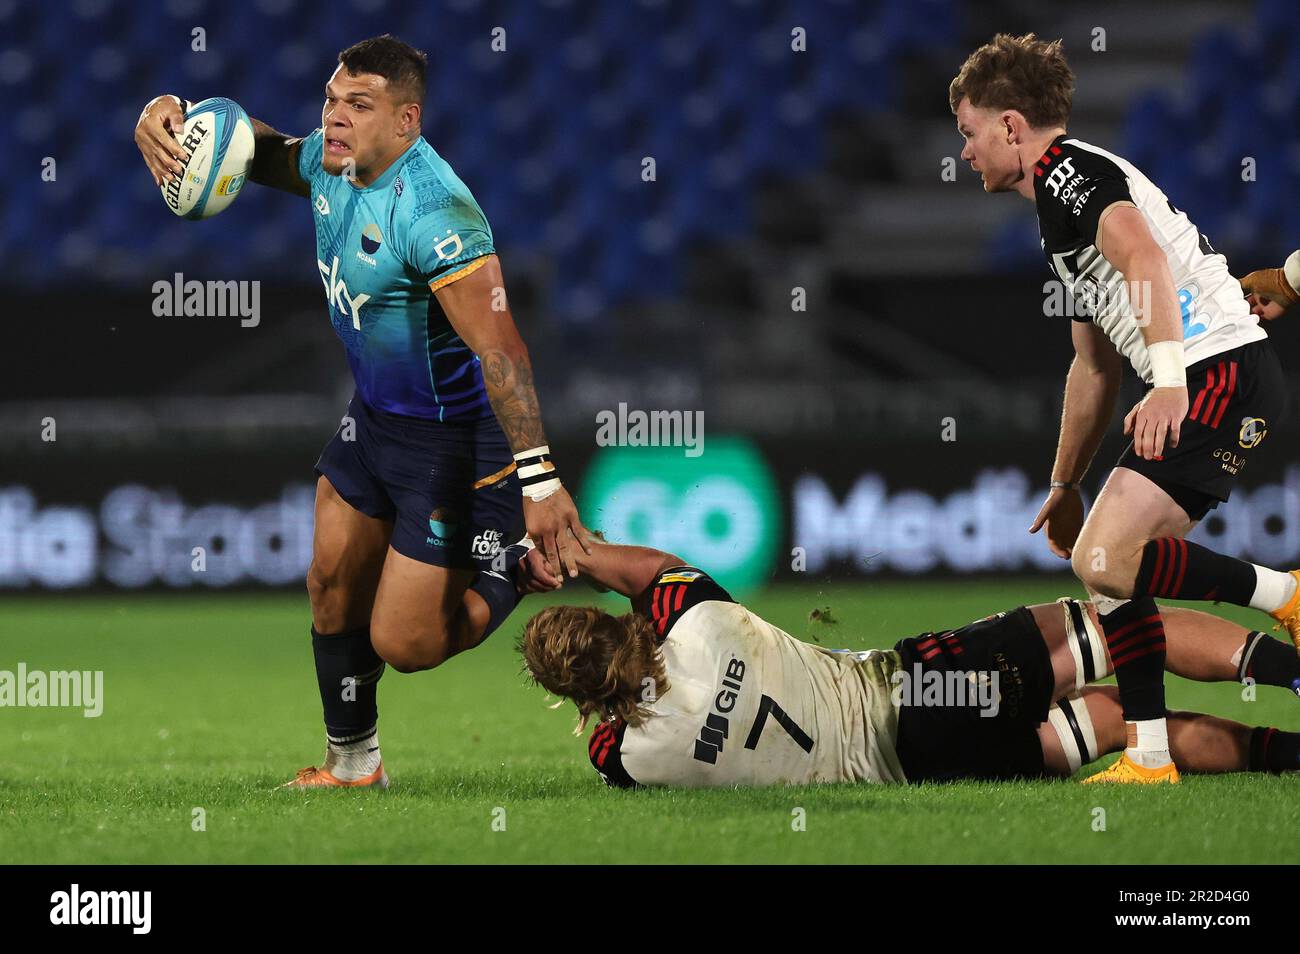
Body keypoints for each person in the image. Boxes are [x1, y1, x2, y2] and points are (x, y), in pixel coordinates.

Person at [134, 35, 590, 789]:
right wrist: (164, 116)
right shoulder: (329, 162)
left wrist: (539, 484)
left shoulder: (437, 213)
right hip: (374, 420)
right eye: (332, 99)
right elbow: (251, 148)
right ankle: (353, 767)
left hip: (458, 447)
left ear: (407, 121)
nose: (335, 118)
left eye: (360, 105)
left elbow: (501, 349)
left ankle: (507, 562)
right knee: (328, 579)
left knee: (404, 643)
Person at [949, 33, 1294, 783]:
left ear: (1011, 126)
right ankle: (1149, 754)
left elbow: (1144, 256)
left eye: (970, 133)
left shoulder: (1070, 172)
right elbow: (1093, 364)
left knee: (1108, 557)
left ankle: (1288, 595)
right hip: (1218, 372)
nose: (966, 152)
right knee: (1106, 568)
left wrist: (1169, 381)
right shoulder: (1055, 211)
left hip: (1215, 372)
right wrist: (1065, 483)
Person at [516, 537, 1300, 787]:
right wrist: (571, 552)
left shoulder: (625, 759)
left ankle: (1289, 755)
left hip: (923, 769)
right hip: (920, 689)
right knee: (1109, 624)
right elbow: (651, 570)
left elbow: (608, 730)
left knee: (1106, 725)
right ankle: (1287, 669)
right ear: (608, 621)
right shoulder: (701, 622)